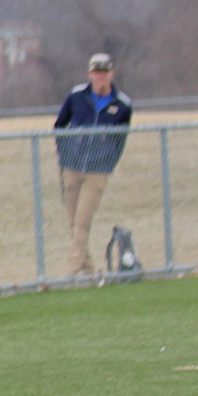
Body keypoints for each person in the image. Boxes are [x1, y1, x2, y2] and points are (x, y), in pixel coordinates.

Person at [52, 53, 134, 277]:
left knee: (82, 221)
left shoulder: (123, 105)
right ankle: (86, 269)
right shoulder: (77, 96)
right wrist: (65, 154)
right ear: (90, 74)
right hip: (72, 167)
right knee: (73, 221)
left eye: (104, 73)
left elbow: (120, 140)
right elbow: (60, 125)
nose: (101, 77)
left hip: (97, 171)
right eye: (97, 73)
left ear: (111, 74)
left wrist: (108, 162)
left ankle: (71, 271)